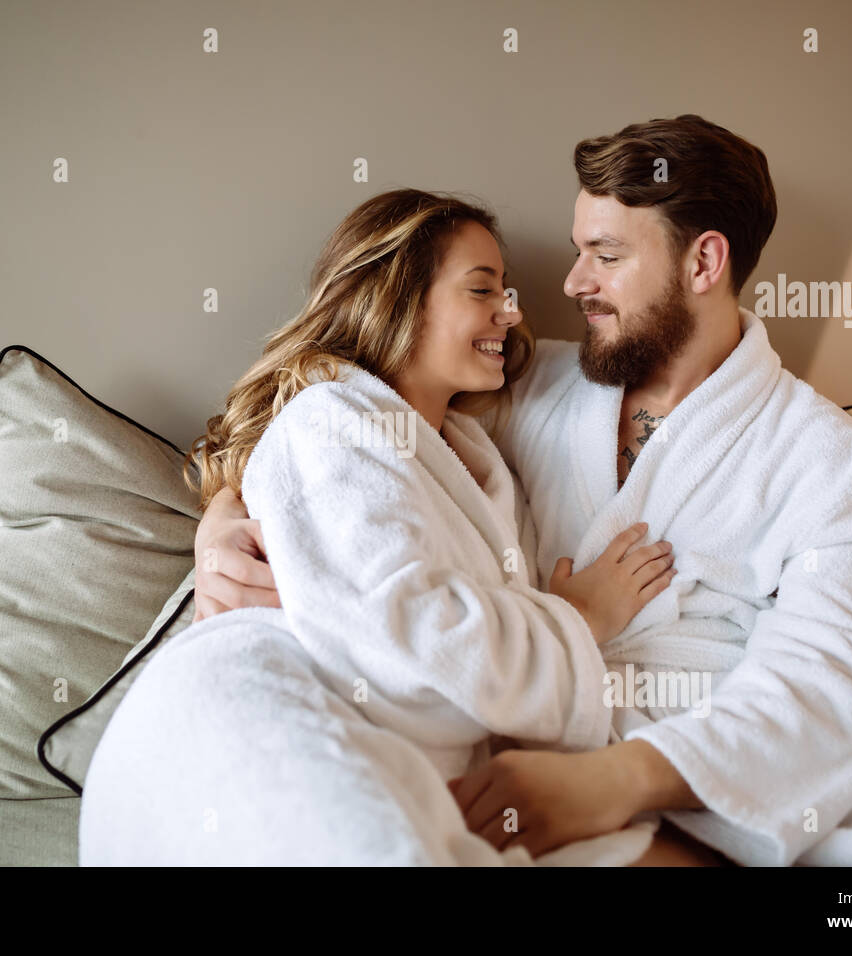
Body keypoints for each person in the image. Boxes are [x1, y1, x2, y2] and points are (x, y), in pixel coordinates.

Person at [194, 115, 852, 866]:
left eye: (608, 256)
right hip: (525, 727)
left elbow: (842, 676)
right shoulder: (525, 385)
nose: (575, 282)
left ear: (704, 261)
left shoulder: (824, 456)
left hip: (730, 758)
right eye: (581, 251)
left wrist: (623, 780)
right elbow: (355, 429)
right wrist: (226, 518)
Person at [80, 188, 679, 866]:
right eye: (482, 290)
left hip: (385, 747)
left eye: (508, 291)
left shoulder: (476, 466)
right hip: (256, 708)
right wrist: (578, 618)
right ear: (395, 297)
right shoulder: (329, 419)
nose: (511, 313)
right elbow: (407, 637)